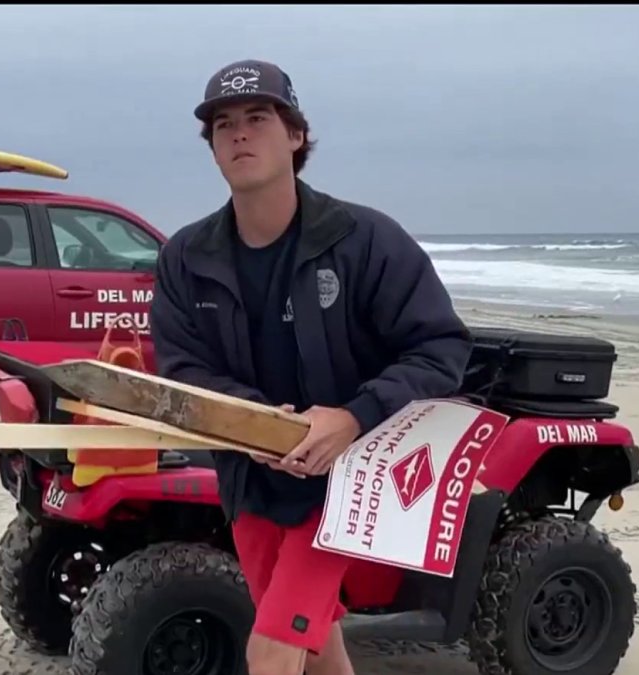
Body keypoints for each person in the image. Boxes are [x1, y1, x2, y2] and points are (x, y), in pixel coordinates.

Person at [148, 59, 474, 675]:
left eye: (258, 118)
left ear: (296, 135)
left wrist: (354, 416)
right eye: (224, 125)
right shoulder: (185, 258)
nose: (240, 134)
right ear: (212, 148)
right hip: (249, 479)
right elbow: (181, 368)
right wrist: (256, 424)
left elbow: (441, 349)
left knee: (272, 647)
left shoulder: (366, 240)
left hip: (348, 485)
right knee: (317, 642)